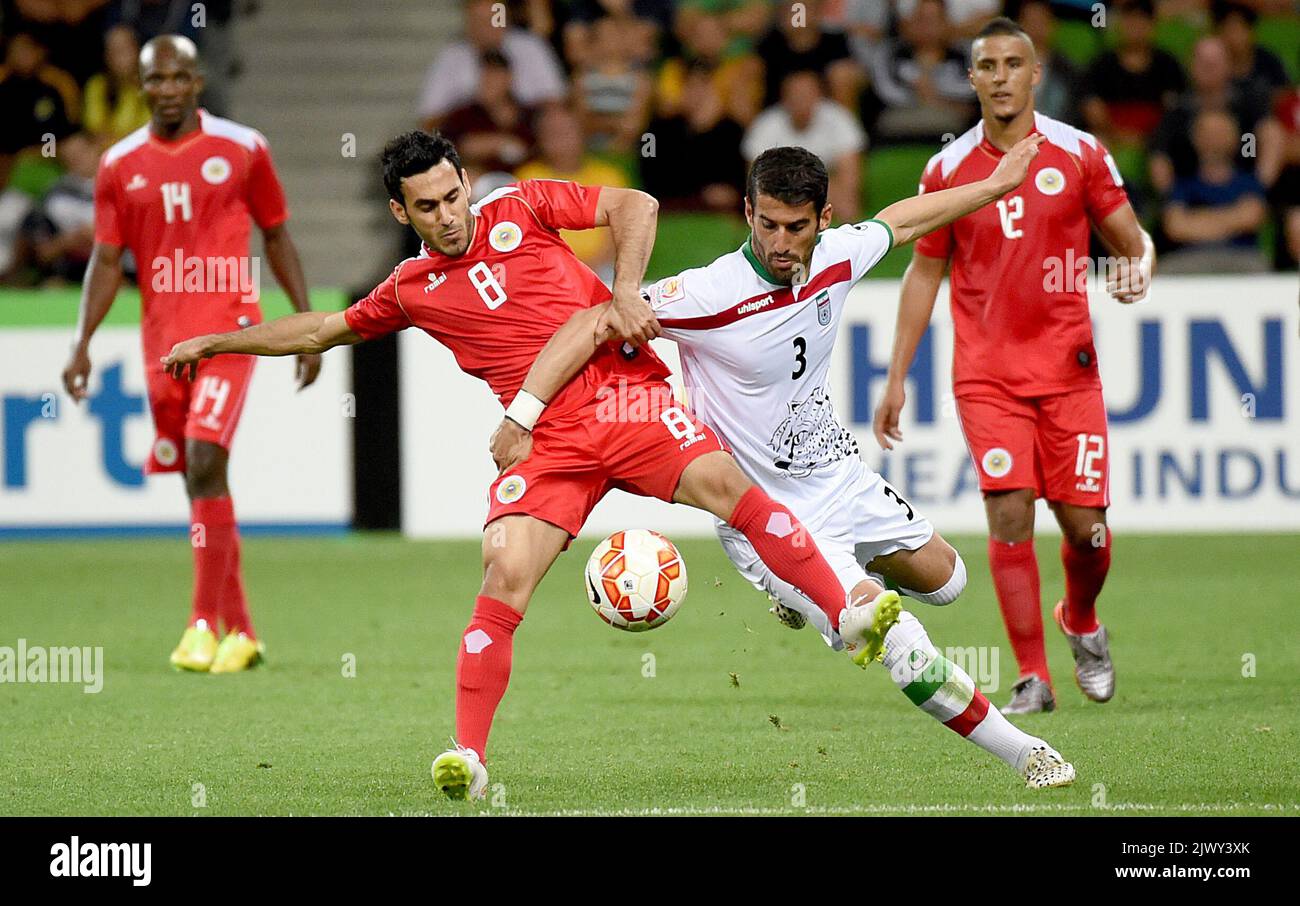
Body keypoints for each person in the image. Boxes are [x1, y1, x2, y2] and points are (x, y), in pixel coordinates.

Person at [159, 130, 905, 801]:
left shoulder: (521, 205)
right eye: (428, 207)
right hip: (548, 443)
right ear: (402, 215)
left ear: (465, 181)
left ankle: (850, 611)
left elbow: (635, 204)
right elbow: (320, 331)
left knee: (727, 489)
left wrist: (621, 291)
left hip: (626, 398)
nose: (450, 215)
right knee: (503, 571)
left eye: (454, 194)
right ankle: (470, 757)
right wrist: (216, 343)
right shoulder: (411, 290)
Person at [495, 141, 1079, 791]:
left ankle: (806, 592)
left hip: (838, 474)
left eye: (796, 227)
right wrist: (524, 413)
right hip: (763, 513)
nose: (780, 241)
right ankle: (1024, 752)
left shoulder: (838, 256)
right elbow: (589, 325)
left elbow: (908, 218)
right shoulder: (705, 293)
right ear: (747, 212)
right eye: (766, 223)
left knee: (948, 581)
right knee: (896, 636)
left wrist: (999, 183)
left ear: (822, 219)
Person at [873, 17, 1156, 714]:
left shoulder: (1081, 153)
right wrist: (896, 375)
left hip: (1068, 371)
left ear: (1036, 75)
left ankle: (1081, 620)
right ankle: (1034, 675)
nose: (1000, 76)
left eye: (1012, 63)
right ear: (971, 80)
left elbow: (1132, 242)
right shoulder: (947, 169)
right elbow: (923, 273)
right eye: (987, 66)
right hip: (987, 375)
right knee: (1008, 513)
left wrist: (1136, 270)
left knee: (1087, 530)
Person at [61, 35, 320, 675]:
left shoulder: (243, 148)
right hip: (163, 345)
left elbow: (277, 234)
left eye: (179, 78)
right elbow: (104, 258)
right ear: (141, 87)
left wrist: (306, 323)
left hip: (230, 332)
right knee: (200, 483)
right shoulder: (119, 164)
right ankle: (245, 632)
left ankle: (201, 625)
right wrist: (82, 342)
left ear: (198, 81)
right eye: (156, 80)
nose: (168, 89)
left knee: (206, 459)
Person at [418, 0, 567, 130]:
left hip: (528, 140)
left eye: (494, 19)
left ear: (506, 18)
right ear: (468, 23)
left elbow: (556, 104)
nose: (488, 28)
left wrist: (510, 111)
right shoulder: (452, 56)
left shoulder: (530, 47)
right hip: (471, 144)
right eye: (479, 22)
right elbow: (429, 120)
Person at [743, 70, 865, 221]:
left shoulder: (840, 119)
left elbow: (850, 180)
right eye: (795, 94)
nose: (801, 99)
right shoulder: (766, 125)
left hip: (828, 189)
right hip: (780, 192)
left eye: (807, 94)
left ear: (819, 95)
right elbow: (756, 181)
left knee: (847, 204)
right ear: (784, 97)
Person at [1161, 108, 1269, 273]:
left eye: (1221, 133)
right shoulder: (1182, 183)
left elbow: (1251, 218)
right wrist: (1233, 217)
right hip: (1190, 257)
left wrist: (1196, 220)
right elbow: (1176, 227)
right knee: (1165, 273)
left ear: (1234, 138)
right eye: (1208, 133)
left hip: (1240, 256)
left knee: (1260, 271)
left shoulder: (1249, 181)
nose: (1214, 140)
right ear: (1195, 138)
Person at [82, 24, 151, 146]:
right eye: (113, 50)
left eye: (124, 49)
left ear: (138, 50)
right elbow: (94, 130)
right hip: (102, 152)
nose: (118, 56)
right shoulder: (97, 84)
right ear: (106, 55)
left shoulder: (151, 87)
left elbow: (146, 133)